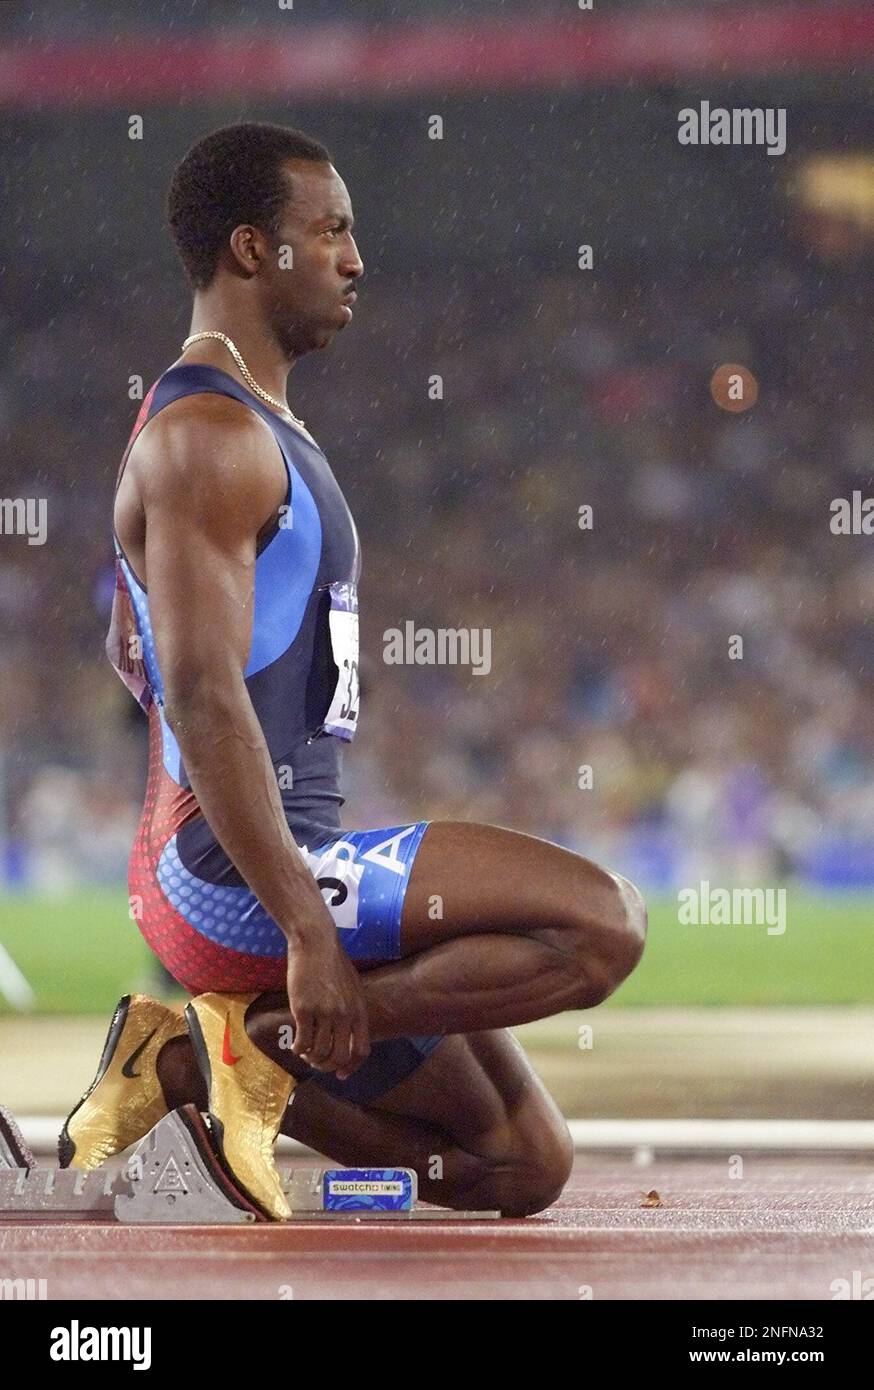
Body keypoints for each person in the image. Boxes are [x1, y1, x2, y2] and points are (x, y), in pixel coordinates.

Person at [60, 123, 646, 1219]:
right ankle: (262, 1027)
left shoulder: (255, 424)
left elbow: (135, 652)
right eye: (327, 231)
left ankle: (192, 1062)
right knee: (601, 921)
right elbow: (196, 691)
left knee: (519, 1166)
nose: (355, 259)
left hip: (280, 858)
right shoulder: (207, 434)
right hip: (232, 880)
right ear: (250, 250)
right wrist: (307, 931)